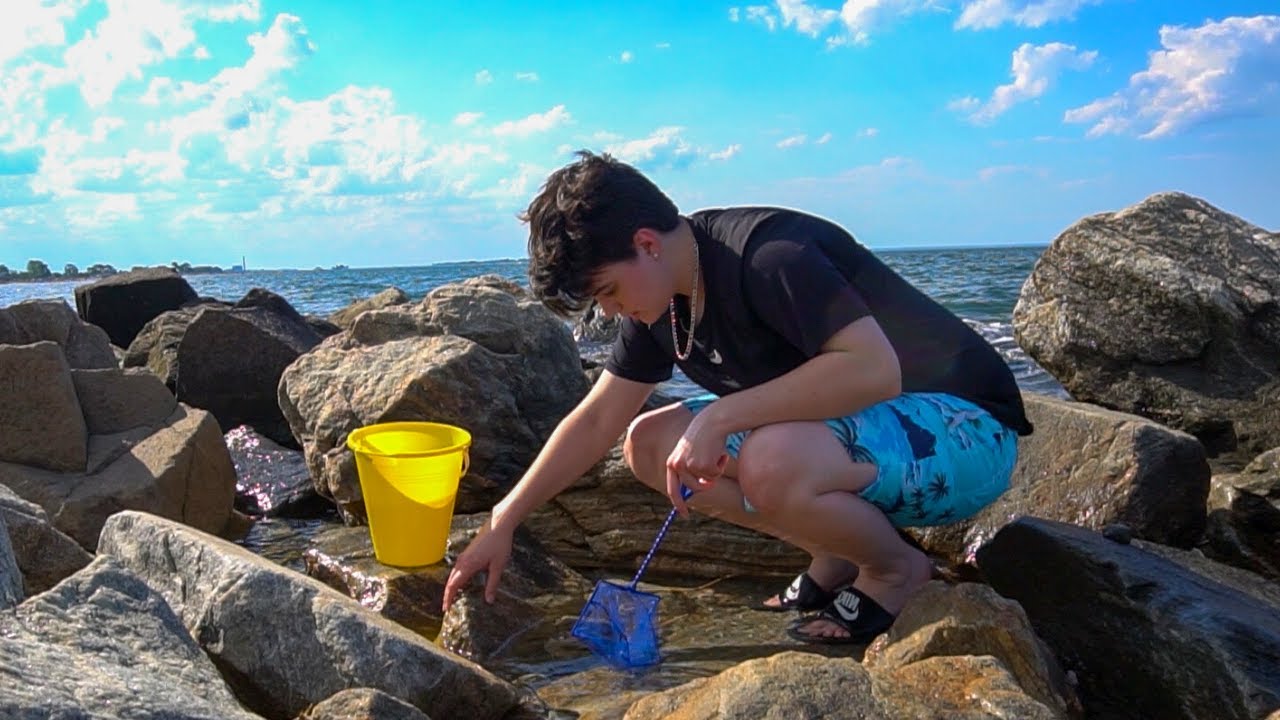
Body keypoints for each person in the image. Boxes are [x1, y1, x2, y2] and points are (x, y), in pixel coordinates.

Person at [442, 150, 1033, 644]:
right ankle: (837, 550)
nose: (612, 311)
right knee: (650, 443)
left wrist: (721, 417)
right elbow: (598, 419)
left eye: (609, 292)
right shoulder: (661, 302)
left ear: (646, 243)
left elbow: (875, 371)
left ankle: (894, 568)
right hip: (869, 441)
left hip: (967, 433)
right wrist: (505, 518)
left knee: (770, 460)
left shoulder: (769, 257)